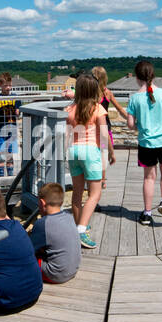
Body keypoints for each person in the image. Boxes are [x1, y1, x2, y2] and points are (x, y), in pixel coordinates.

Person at [126, 59, 162, 226]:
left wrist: (140, 125)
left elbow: (130, 124)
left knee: (149, 178)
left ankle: (147, 214)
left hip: (146, 143)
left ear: (137, 77)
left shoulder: (134, 99)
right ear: (153, 75)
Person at [66, 72, 109, 249]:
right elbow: (104, 137)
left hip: (73, 151)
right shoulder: (98, 109)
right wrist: (106, 159)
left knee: (77, 193)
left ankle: (78, 225)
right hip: (90, 151)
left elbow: (68, 134)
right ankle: (81, 230)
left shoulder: (69, 109)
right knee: (95, 193)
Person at [28, 182, 81, 283]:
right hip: (72, 270)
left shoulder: (43, 223)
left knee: (23, 260)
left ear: (42, 203)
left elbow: (28, 250)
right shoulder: (69, 216)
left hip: (55, 274)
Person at [91, 66, 125, 187]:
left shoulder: (90, 93)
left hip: (92, 128)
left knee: (94, 153)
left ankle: (92, 178)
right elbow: (119, 109)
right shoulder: (107, 93)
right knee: (103, 153)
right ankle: (102, 180)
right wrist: (130, 119)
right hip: (105, 127)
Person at [0, 72, 22, 177]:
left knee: (10, 155)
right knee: (2, 154)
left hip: (12, 129)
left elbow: (18, 111)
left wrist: (17, 111)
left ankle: (10, 177)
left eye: (10, 85)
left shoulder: (15, 97)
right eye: (5, 85)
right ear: (0, 85)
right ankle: (1, 177)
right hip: (1, 130)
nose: (8, 88)